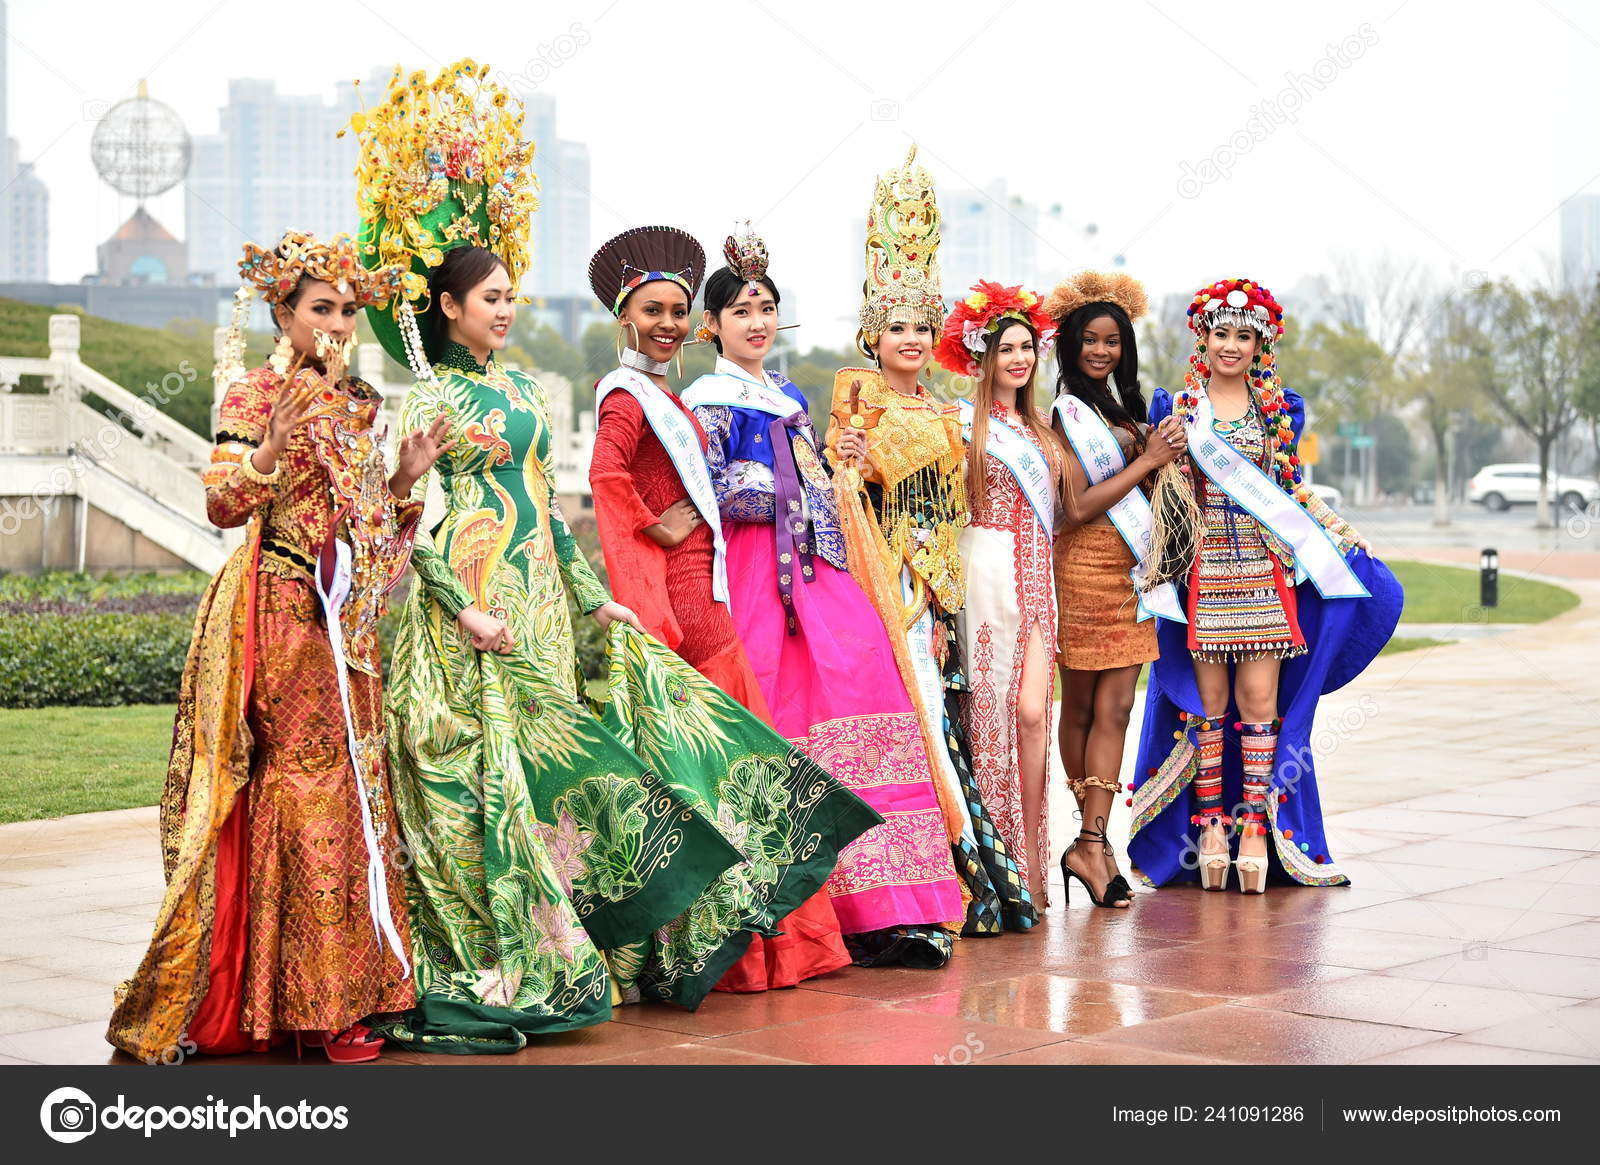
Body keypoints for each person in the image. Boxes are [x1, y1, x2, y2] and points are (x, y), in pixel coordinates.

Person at [351, 65, 876, 1041]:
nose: (505, 310)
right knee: (479, 788)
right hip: (461, 615)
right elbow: (414, 516)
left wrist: (593, 596)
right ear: (450, 307)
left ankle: (592, 946)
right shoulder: (424, 399)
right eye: (490, 298)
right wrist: (459, 602)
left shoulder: (519, 391)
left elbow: (545, 511)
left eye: (511, 296)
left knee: (566, 776)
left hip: (538, 603)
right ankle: (508, 963)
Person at [107, 231, 452, 1064]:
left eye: (346, 310)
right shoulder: (252, 393)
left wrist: (402, 481)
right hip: (281, 613)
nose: (336, 324)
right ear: (283, 313)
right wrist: (267, 447)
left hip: (349, 621)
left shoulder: (362, 403)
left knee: (356, 787)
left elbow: (372, 530)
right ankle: (305, 1006)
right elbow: (223, 504)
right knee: (302, 787)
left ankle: (350, 992)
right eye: (320, 309)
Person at [588, 223, 874, 992]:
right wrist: (654, 528)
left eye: (678, 310)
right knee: (724, 771)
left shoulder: (666, 392)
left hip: (705, 590)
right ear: (626, 316)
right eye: (654, 311)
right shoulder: (626, 395)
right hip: (685, 597)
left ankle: (767, 944)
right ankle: (740, 953)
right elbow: (607, 477)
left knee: (737, 769)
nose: (668, 324)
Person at [683, 226, 966, 968]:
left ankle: (890, 906)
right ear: (711, 325)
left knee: (868, 694)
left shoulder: (788, 394)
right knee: (781, 717)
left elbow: (812, 485)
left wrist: (830, 469)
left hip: (815, 567)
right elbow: (706, 492)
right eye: (741, 310)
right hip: (750, 574)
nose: (757, 321)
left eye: (767, 307)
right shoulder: (704, 401)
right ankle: (806, 914)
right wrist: (780, 483)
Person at [1131, 277, 1402, 893]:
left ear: (1261, 344)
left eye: (1244, 336)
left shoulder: (1278, 410)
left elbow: (1292, 492)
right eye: (1221, 333)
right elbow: (1162, 491)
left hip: (1263, 572)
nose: (1231, 345)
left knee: (1259, 705)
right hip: (1203, 576)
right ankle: (1209, 831)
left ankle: (1254, 827)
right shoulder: (1176, 409)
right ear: (1203, 336)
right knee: (1208, 709)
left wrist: (1340, 532)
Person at [826, 147, 1036, 937]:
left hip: (934, 591)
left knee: (937, 715)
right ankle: (921, 875)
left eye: (922, 325)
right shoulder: (856, 391)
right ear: (871, 334)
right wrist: (845, 463)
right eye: (896, 326)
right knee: (898, 718)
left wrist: (945, 594)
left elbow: (954, 509)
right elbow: (840, 485)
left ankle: (957, 873)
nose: (911, 338)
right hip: (875, 582)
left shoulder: (950, 412)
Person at [1043, 272, 1186, 908]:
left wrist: (1169, 465)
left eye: (1113, 341)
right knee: (1078, 709)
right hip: (1080, 569)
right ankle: (1090, 841)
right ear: (1071, 346)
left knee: (1119, 709)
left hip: (1133, 573)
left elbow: (1142, 489)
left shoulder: (1129, 412)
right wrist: (1147, 462)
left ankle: (1093, 840)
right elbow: (1074, 507)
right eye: (1091, 340)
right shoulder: (1063, 414)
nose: (1102, 351)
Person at [934, 281, 1066, 907]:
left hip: (1039, 575)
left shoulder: (1042, 428)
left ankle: (1034, 868)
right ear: (980, 356)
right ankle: (994, 870)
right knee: (985, 719)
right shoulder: (958, 423)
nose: (1018, 359)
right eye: (1005, 348)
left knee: (1036, 715)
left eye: (1027, 347)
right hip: (982, 571)